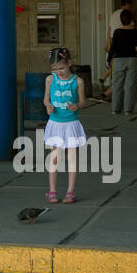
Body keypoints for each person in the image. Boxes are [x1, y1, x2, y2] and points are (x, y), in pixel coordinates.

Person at [43, 47, 87, 204]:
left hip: (71, 124)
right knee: (55, 158)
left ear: (69, 63)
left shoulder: (78, 81)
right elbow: (46, 99)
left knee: (72, 158)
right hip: (55, 123)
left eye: (61, 68)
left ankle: (70, 191)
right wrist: (48, 106)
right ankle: (52, 190)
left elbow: (83, 101)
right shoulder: (50, 80)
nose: (58, 72)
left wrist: (76, 106)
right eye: (55, 69)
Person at [106, 9, 137, 115]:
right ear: (131, 20)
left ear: (121, 20)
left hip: (118, 60)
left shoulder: (117, 32)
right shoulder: (135, 31)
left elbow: (113, 47)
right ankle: (128, 109)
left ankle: (115, 109)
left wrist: (109, 60)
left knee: (117, 84)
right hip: (132, 59)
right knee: (130, 85)